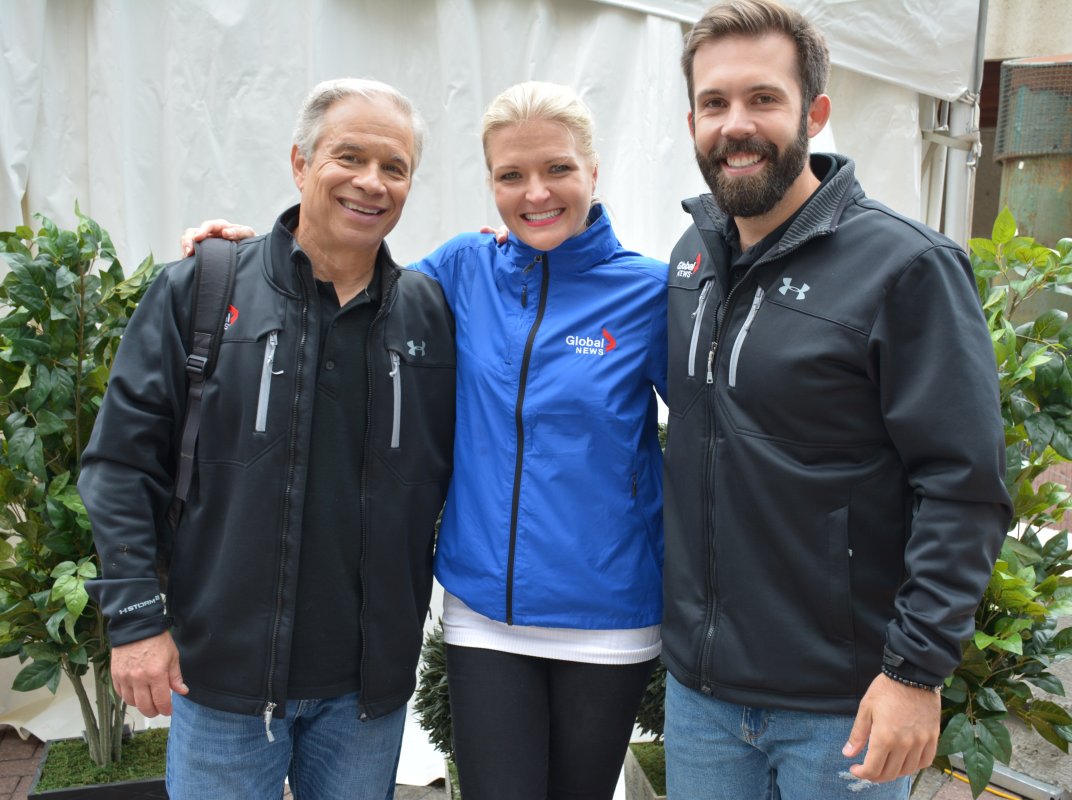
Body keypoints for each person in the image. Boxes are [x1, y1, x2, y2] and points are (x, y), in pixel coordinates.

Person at [184, 81, 668, 800]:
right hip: (483, 616)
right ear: (491, 183)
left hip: (608, 615)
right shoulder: (461, 269)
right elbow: (348, 286)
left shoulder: (651, 294)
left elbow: (717, 432)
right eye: (511, 174)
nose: (536, 193)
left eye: (558, 169)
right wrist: (247, 256)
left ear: (593, 172)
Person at [659, 1, 1012, 797]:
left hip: (842, 709)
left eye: (763, 98)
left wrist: (915, 672)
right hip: (702, 698)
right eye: (714, 103)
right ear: (692, 122)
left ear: (814, 113)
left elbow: (964, 488)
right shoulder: (692, 258)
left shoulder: (907, 268)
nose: (735, 124)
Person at [80, 78, 456, 800]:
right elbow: (120, 465)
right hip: (221, 678)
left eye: (395, 167)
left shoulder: (429, 312)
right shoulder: (202, 288)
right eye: (350, 157)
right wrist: (134, 623)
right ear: (300, 162)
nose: (372, 182)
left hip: (366, 692)